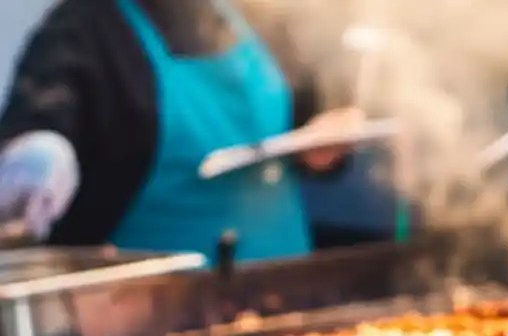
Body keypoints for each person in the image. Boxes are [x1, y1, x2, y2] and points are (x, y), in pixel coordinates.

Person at [0, 0, 362, 262]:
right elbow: (39, 118)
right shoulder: (83, 28)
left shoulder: (260, 14)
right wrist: (37, 150)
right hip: (147, 317)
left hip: (290, 294)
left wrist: (326, 143)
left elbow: (313, 112)